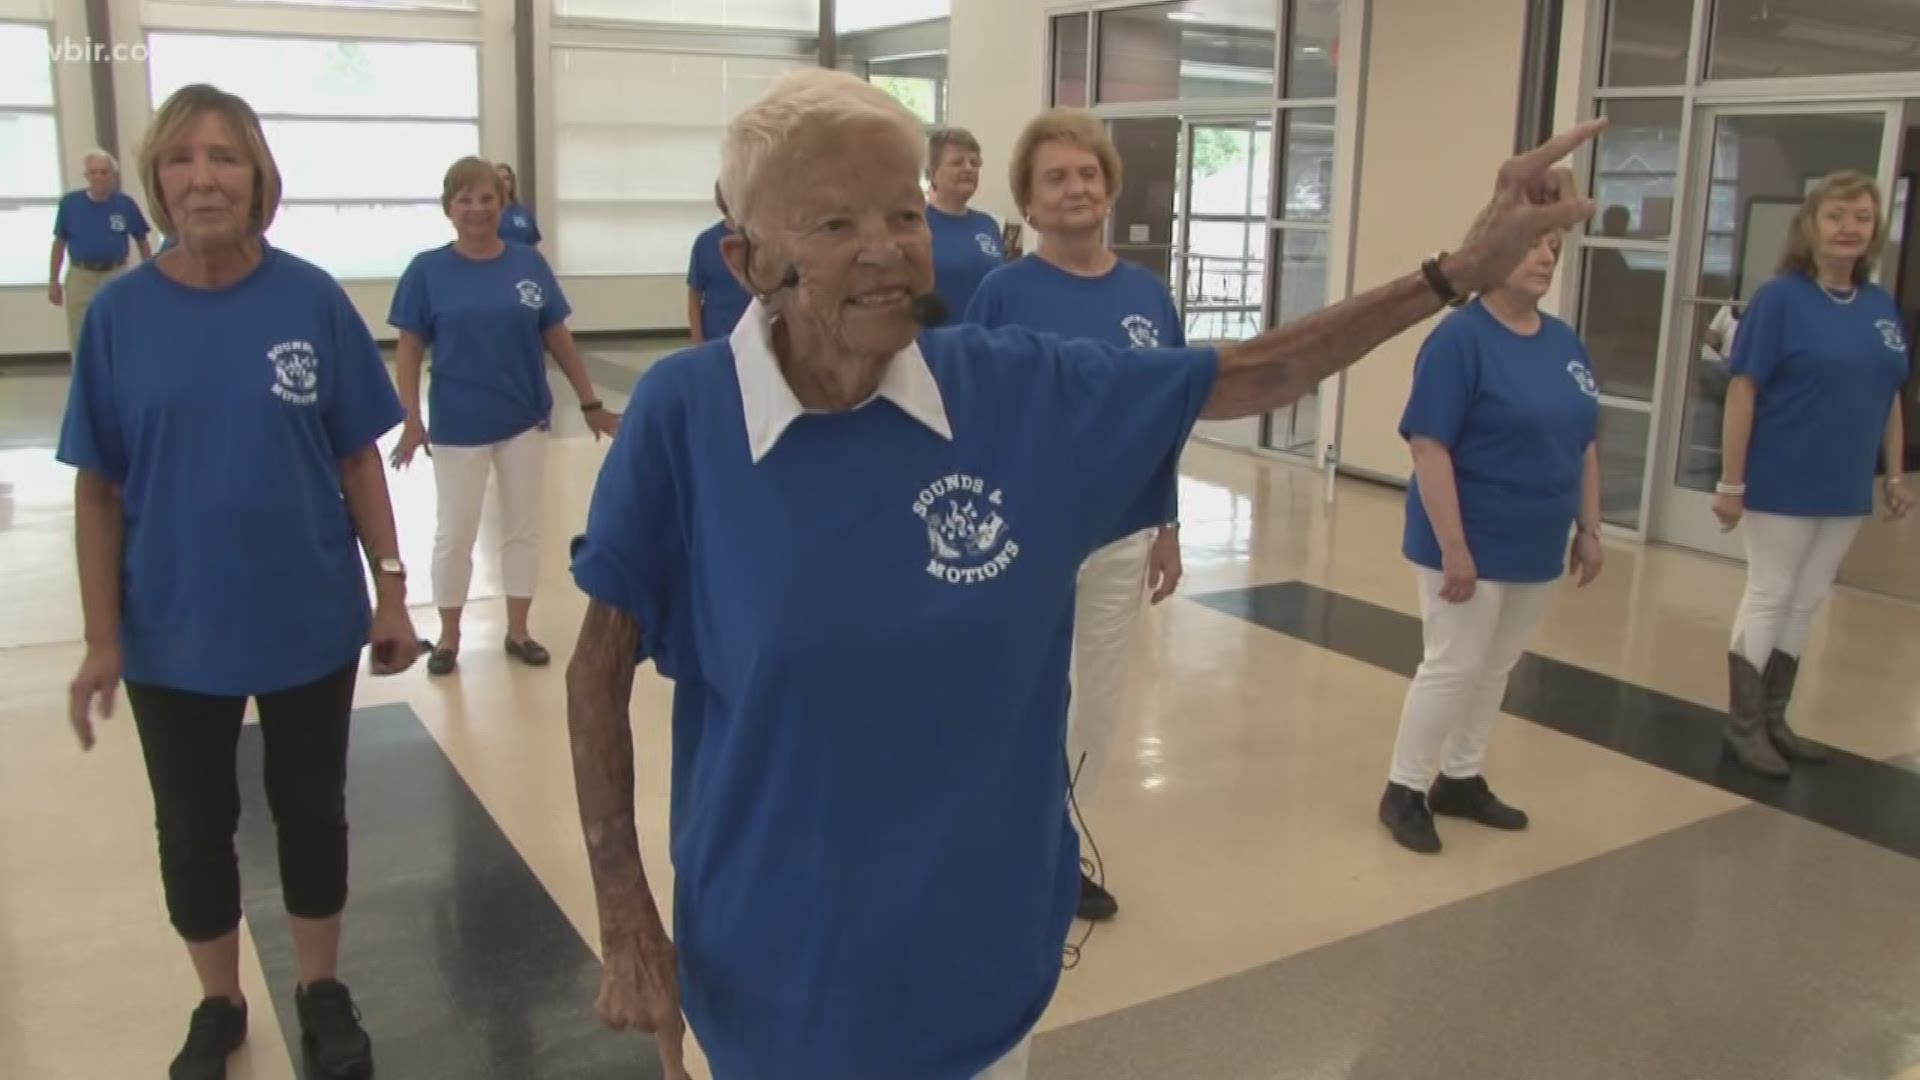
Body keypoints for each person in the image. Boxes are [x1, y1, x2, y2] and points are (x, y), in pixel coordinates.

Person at [563, 68, 1602, 1080]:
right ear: (748, 259)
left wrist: (1455, 274)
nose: (886, 251)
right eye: (835, 226)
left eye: (903, 214)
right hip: (780, 964)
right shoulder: (685, 417)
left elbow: (1252, 375)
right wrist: (624, 914)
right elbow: (596, 672)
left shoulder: (1014, 391)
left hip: (979, 953)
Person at [58, 83, 422, 1080]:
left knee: (312, 808)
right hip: (170, 632)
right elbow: (97, 492)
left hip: (307, 616)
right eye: (182, 159)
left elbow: (357, 460)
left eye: (225, 157)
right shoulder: (121, 318)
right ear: (155, 182)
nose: (203, 177)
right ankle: (218, 1003)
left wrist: (392, 590)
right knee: (193, 825)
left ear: (258, 176)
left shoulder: (310, 300)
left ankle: (318, 985)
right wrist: (101, 637)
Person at [966, 108, 1187, 923]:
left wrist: (1165, 524)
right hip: (1025, 535)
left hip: (1121, 530)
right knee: (1022, 691)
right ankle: (1007, 841)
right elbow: (972, 417)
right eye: (1055, 176)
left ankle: (1058, 841)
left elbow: (1166, 416)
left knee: (1094, 698)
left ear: (1109, 185)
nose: (1075, 188)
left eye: (1088, 173)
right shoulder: (1002, 292)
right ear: (1028, 197)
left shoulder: (1146, 297)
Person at [1376, 229, 1604, 855]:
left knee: (1496, 665)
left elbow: (1584, 440)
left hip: (1537, 541)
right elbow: (1429, 445)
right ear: (1492, 255)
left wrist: (1589, 528)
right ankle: (1404, 788)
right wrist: (1454, 546)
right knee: (1453, 664)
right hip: (1468, 539)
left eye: (1554, 248)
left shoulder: (1564, 343)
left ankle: (1462, 777)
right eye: (1531, 244)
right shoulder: (1459, 340)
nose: (1544, 258)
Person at [1713, 170, 1916, 779]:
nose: (1848, 228)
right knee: (1771, 594)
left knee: (1805, 603)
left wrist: (1895, 474)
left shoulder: (1880, 307)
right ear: (1810, 225)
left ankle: (1775, 718)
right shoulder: (1781, 299)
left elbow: (1891, 397)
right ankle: (1743, 726)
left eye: (1860, 217)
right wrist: (1730, 482)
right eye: (1836, 216)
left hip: (1845, 486)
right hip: (1782, 481)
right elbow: (1742, 392)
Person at [389, 156, 619, 677]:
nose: (476, 209)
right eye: (465, 199)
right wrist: (410, 417)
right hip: (457, 425)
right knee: (456, 532)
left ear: (503, 203)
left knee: (522, 528)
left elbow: (556, 334)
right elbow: (408, 348)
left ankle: (519, 630)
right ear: (449, 208)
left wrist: (589, 401)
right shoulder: (427, 271)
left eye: (486, 198)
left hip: (522, 419)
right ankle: (449, 637)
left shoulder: (527, 265)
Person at [49, 149, 153, 353]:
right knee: (80, 331)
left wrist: (149, 274)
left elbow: (142, 240)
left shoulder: (125, 204)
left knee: (119, 327)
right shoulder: (70, 204)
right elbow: (59, 244)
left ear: (113, 176)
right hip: (81, 276)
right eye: (94, 172)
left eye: (104, 172)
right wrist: (54, 280)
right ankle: (84, 380)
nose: (99, 177)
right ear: (86, 175)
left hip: (116, 273)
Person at [924, 126, 1004, 319]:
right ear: (933, 173)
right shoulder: (917, 223)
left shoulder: (988, 225)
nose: (968, 168)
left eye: (974, 163)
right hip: (936, 344)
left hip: (984, 343)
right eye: (957, 162)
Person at [686, 183, 752, 344]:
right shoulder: (706, 242)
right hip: (716, 335)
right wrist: (698, 341)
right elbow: (694, 296)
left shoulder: (762, 240)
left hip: (754, 335)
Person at [495, 162, 542, 248]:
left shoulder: (523, 212)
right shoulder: (490, 213)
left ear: (512, 183)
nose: (503, 183)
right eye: (499, 179)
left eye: (506, 178)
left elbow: (533, 243)